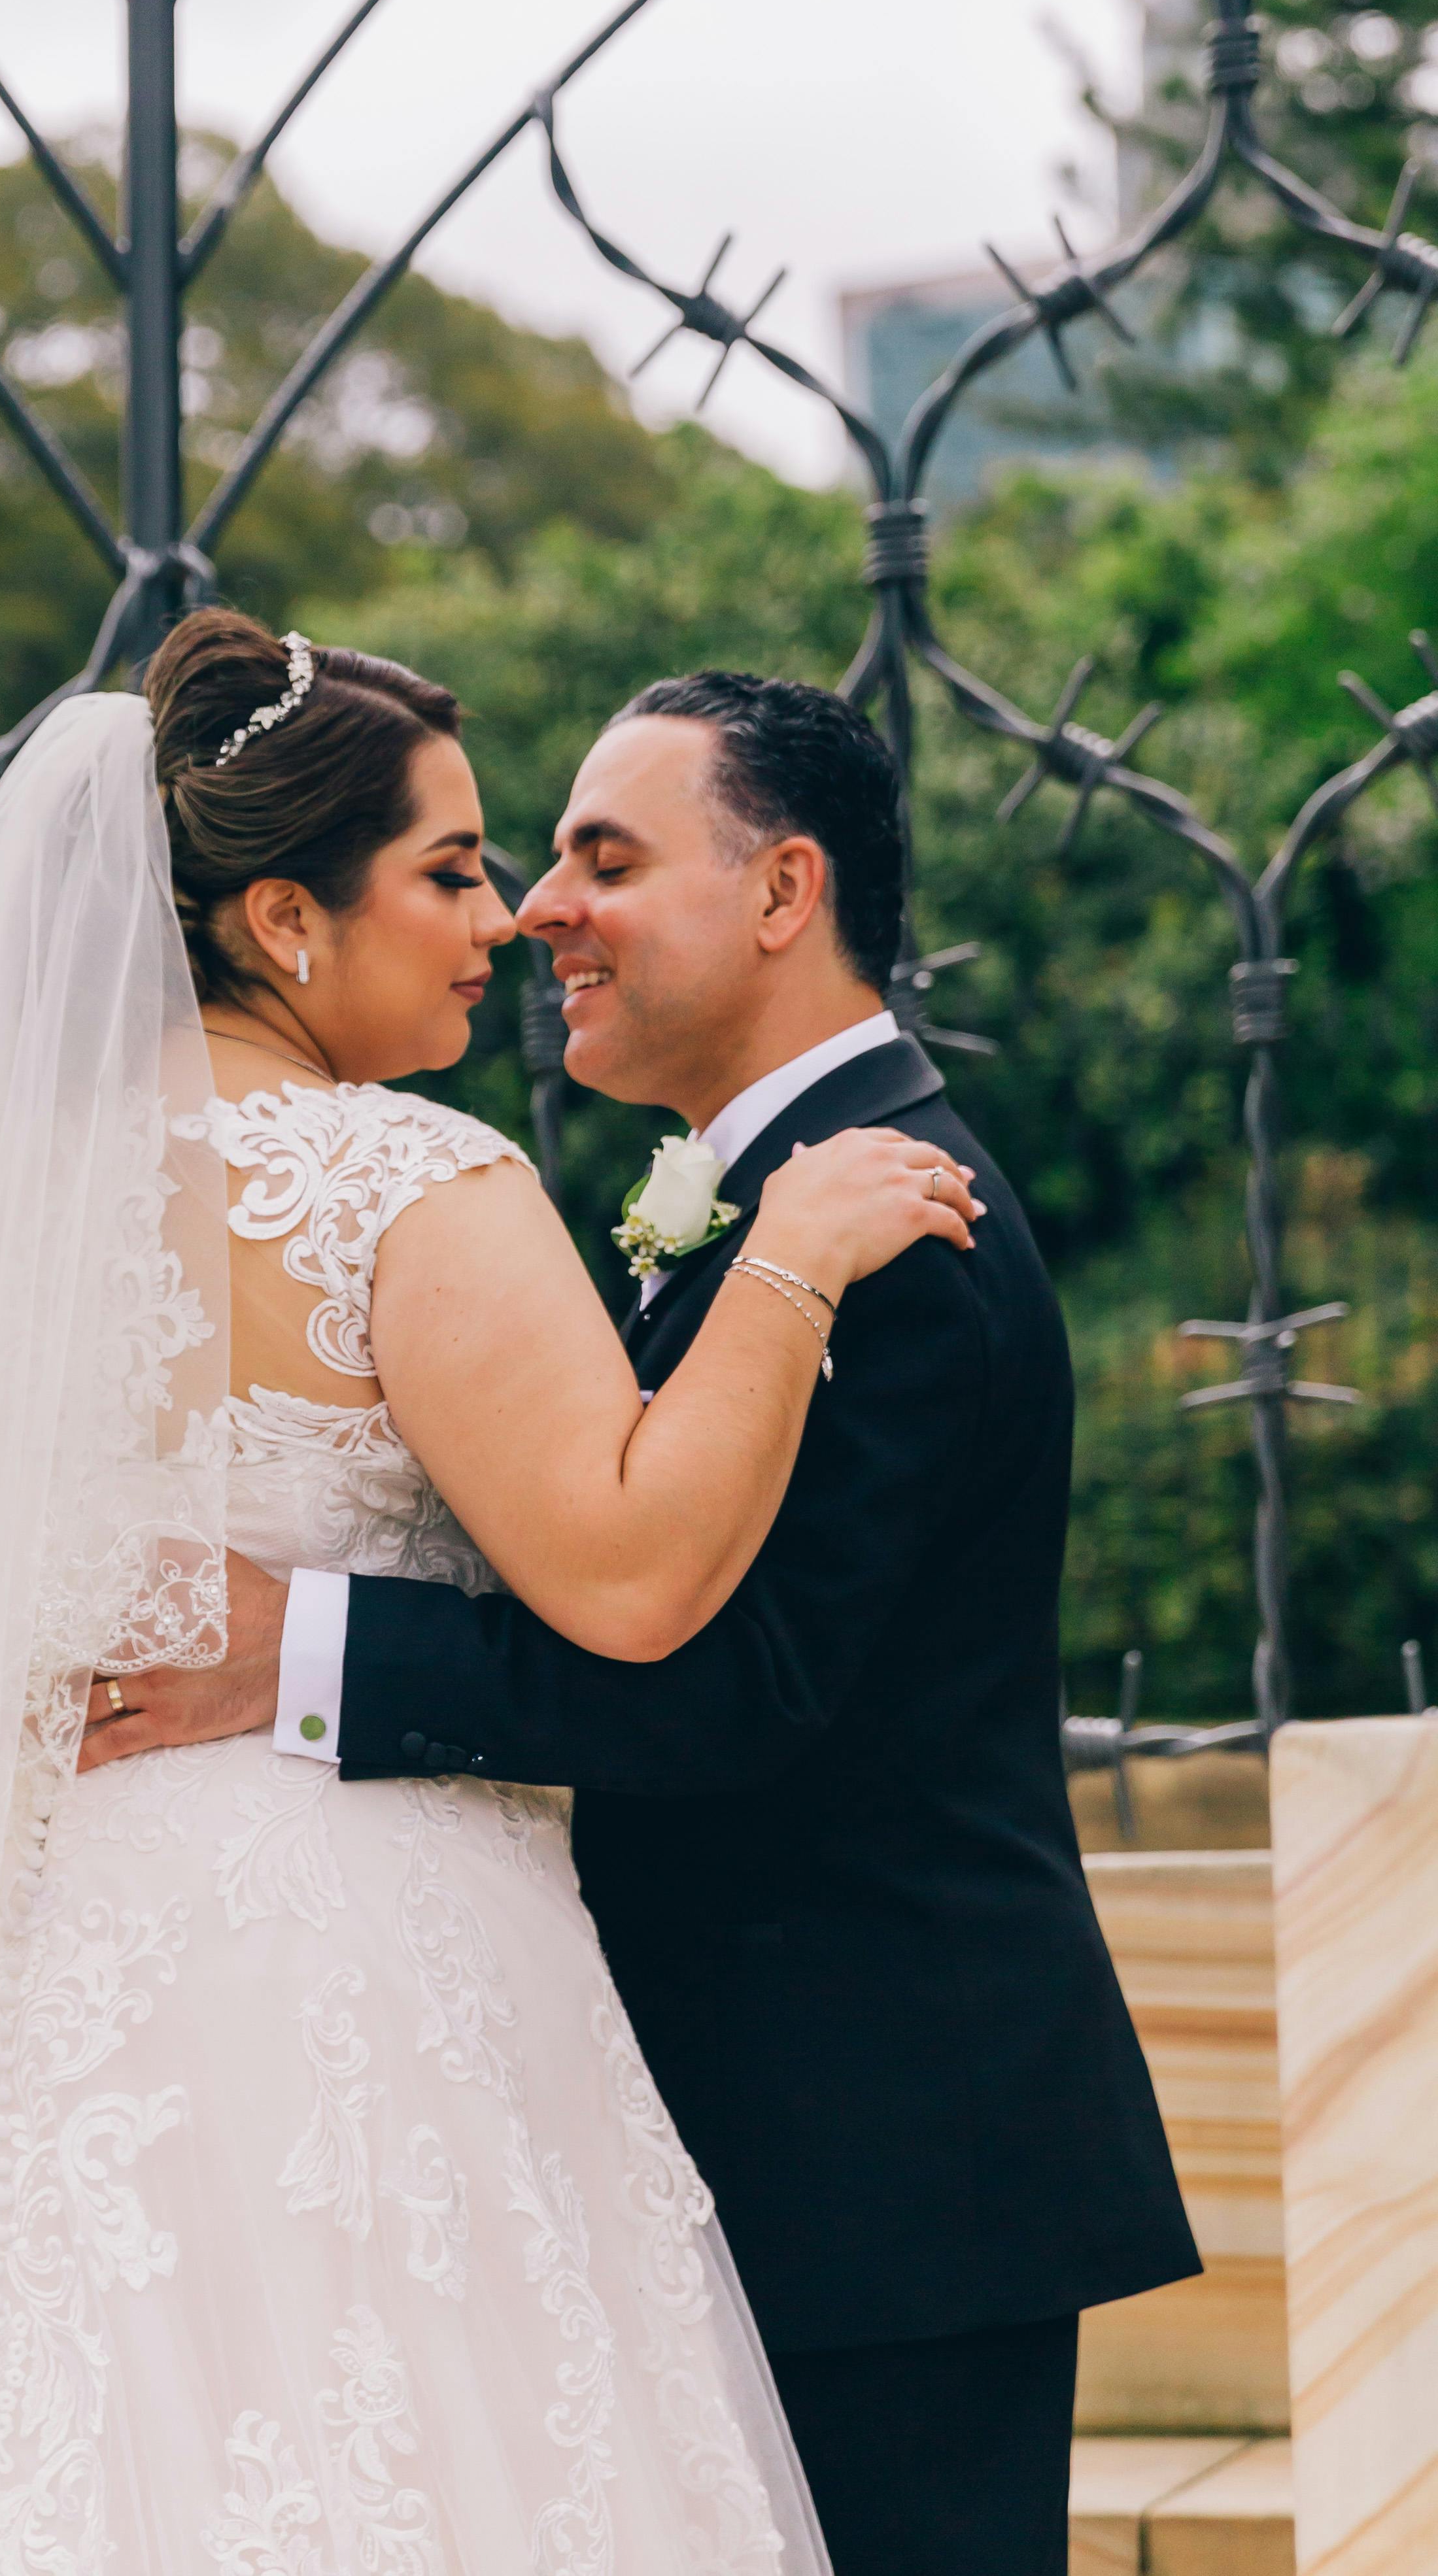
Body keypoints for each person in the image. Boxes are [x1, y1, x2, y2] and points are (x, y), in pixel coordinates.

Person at [0, 615, 972, 2576]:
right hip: (351, 1979)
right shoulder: (402, 1181)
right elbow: (635, 1578)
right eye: (454, 872)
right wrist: (795, 1264)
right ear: (289, 922)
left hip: (29, 1962)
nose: (508, 919)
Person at [87, 663, 1203, 2576]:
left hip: (880, 2158)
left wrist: (305, 1653)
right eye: (511, 864)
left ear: (784, 894)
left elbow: (741, 1682)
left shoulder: (895, 1227)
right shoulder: (755, 1196)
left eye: (601, 857)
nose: (536, 911)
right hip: (741, 2125)